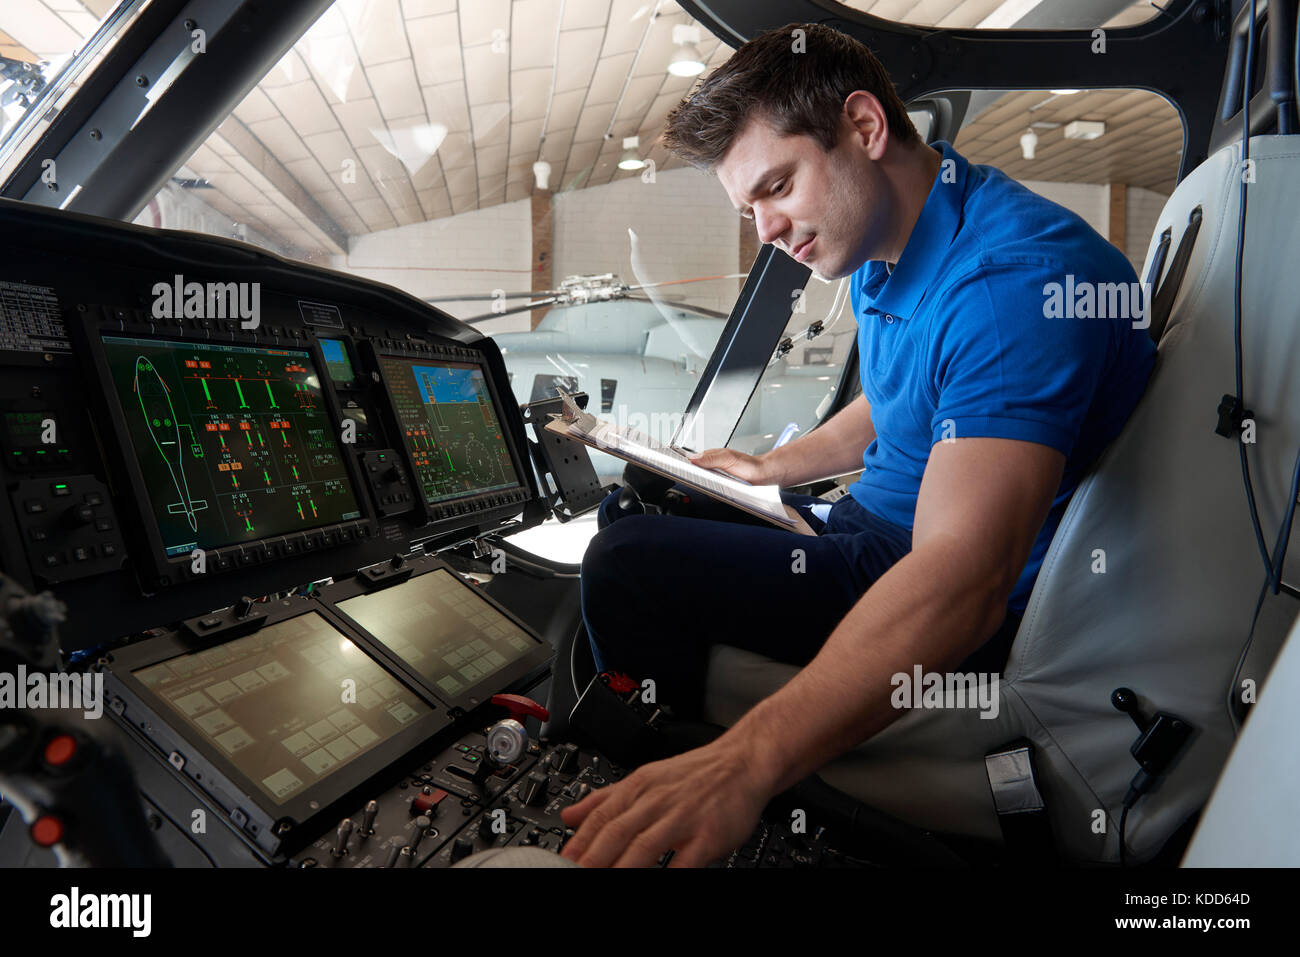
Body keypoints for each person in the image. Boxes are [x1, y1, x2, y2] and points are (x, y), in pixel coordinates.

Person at [561, 21, 1156, 867]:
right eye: (748, 208)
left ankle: (684, 803)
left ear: (866, 128)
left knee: (625, 568)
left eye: (776, 186)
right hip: (867, 531)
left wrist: (747, 762)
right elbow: (896, 399)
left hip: (921, 572)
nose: (765, 229)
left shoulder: (1011, 287)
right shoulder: (896, 242)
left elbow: (964, 581)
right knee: (645, 501)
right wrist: (768, 470)